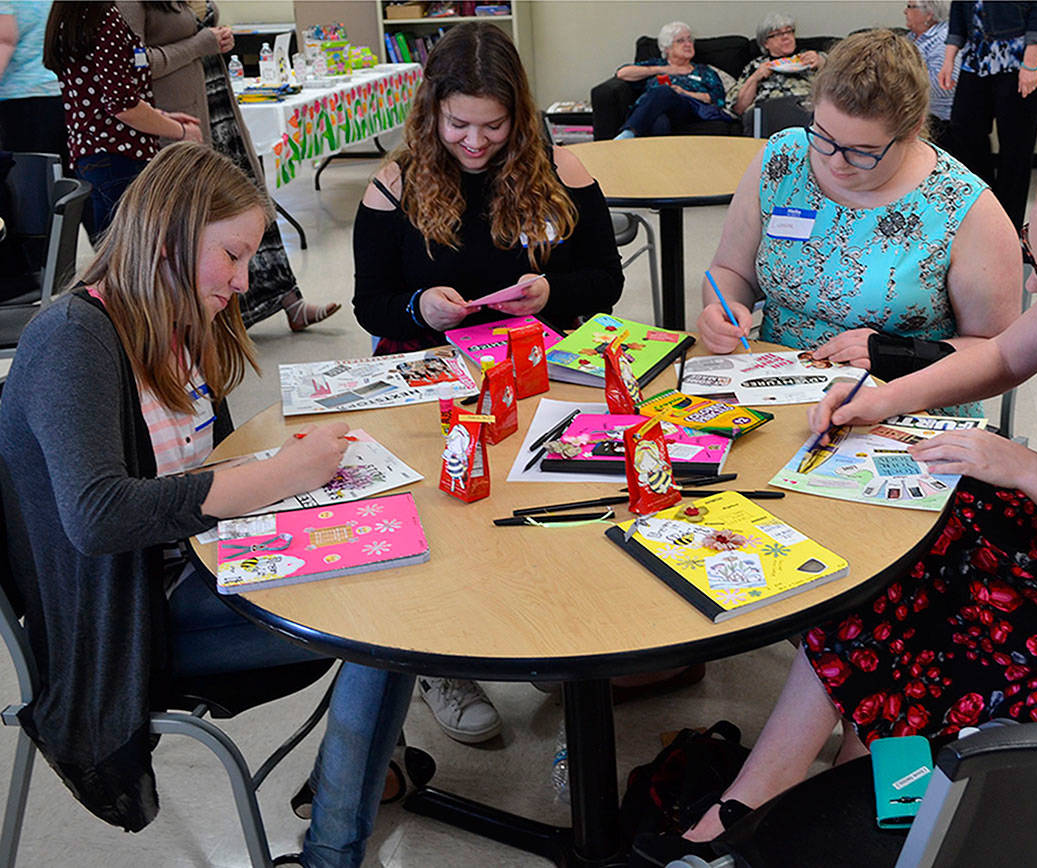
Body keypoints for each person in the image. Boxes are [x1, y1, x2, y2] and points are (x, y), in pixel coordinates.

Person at [643, 109, 1037, 864]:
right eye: (1033, 262)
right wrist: (876, 398)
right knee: (886, 563)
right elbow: (1001, 359)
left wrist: (1029, 469)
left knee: (927, 597)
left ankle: (831, 799)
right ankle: (778, 798)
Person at [0, 142, 415, 868]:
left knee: (394, 560)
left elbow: (207, 471)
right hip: (122, 626)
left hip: (186, 573)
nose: (243, 279)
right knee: (388, 619)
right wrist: (280, 478)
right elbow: (99, 518)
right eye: (232, 254)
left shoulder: (179, 318)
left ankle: (353, 781)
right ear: (168, 236)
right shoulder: (73, 338)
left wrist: (294, 481)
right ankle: (333, 846)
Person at [352, 21, 622, 740]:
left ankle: (546, 627)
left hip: (533, 360)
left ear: (518, 114)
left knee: (548, 493)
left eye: (493, 126)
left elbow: (606, 283)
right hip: (429, 368)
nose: (474, 143)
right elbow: (369, 300)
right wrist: (418, 305)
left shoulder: (564, 172)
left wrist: (552, 293)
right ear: (431, 112)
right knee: (441, 508)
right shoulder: (394, 184)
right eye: (458, 125)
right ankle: (441, 658)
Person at [696, 29, 1021, 417]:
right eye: (824, 137)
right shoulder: (783, 159)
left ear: (913, 129)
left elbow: (999, 352)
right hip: (778, 395)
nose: (835, 163)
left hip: (906, 406)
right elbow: (730, 270)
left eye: (862, 152)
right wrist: (723, 308)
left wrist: (896, 355)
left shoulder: (963, 206)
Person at [117, 0, 340, 333]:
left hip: (216, 99)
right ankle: (224, 320)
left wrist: (217, 41)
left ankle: (288, 299)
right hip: (182, 116)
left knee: (250, 205)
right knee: (214, 223)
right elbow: (134, 64)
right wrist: (201, 44)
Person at [42, 1, 201, 239]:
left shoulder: (72, 16)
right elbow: (123, 107)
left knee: (114, 251)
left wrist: (160, 117)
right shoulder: (104, 19)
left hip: (93, 154)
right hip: (118, 158)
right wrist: (179, 131)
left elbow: (103, 96)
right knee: (126, 254)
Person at [939, 1, 1037, 227]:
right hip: (978, 55)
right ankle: (986, 210)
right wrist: (949, 58)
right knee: (964, 132)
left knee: (1016, 147)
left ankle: (1008, 228)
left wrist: (1031, 64)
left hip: (1020, 57)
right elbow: (959, 9)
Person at [613, 21, 729, 139]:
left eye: (690, 40)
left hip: (687, 110)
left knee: (665, 91)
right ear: (667, 48)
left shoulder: (704, 71)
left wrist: (683, 93)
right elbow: (622, 73)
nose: (688, 44)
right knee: (659, 120)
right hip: (656, 112)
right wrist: (664, 69)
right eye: (681, 41)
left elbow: (718, 98)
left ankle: (627, 135)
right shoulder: (657, 65)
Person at [729, 12, 825, 136]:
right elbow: (739, 108)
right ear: (765, 43)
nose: (786, 37)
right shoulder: (756, 66)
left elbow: (842, 85)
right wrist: (755, 78)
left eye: (789, 31)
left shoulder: (811, 57)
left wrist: (822, 63)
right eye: (778, 34)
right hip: (768, 112)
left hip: (805, 108)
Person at [0, 1, 63, 157]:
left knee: (24, 174)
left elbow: (4, 41)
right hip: (57, 91)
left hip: (20, 97)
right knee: (55, 172)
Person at [903, 0, 958, 155]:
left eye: (910, 7)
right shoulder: (911, 37)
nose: (905, 12)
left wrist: (905, 85)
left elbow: (945, 86)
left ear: (929, 14)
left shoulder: (944, 39)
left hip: (940, 122)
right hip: (917, 114)